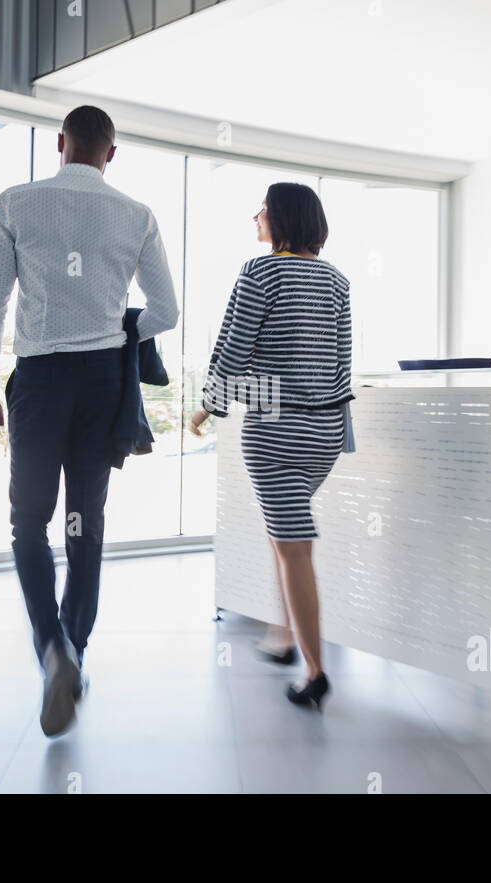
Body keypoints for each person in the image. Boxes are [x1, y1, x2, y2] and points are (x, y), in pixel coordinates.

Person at [0, 105, 180, 736]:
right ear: (111, 154)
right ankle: (76, 648)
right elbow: (166, 311)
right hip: (101, 382)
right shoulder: (137, 216)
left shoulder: (15, 203)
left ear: (60, 143)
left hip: (39, 382)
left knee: (28, 522)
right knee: (84, 520)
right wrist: (120, 326)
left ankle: (50, 649)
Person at [189, 183, 353, 710]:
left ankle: (315, 671)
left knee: (295, 548)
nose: (254, 215)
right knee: (287, 535)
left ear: (280, 216)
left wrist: (209, 403)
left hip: (276, 432)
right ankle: (285, 635)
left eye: (260, 206)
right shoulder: (337, 281)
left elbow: (234, 346)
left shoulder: (260, 272)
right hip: (325, 434)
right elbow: (339, 363)